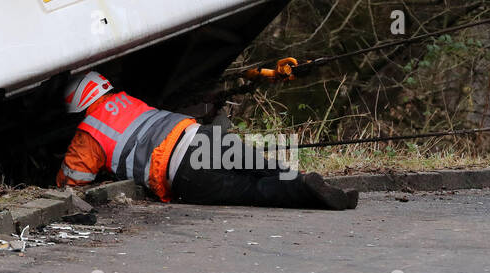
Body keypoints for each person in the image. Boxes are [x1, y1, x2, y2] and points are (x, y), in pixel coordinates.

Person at [56, 70, 357, 209]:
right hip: (199, 136)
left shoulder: (88, 135)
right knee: (262, 164)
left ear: (77, 106)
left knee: (253, 191)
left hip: (184, 174)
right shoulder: (127, 100)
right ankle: (306, 180)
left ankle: (307, 193)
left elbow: (72, 183)